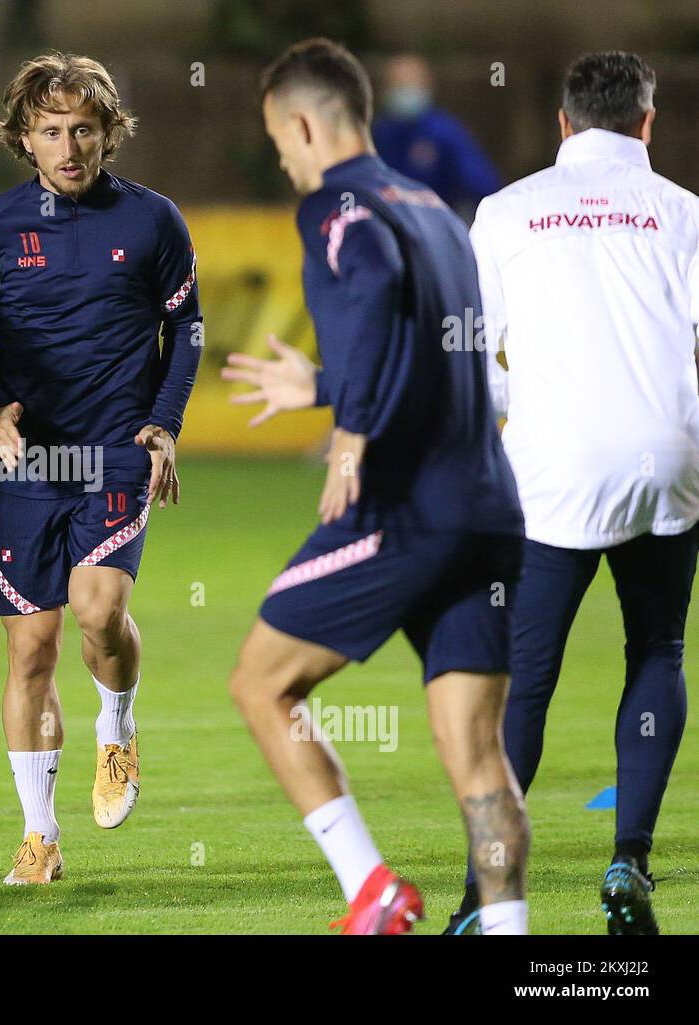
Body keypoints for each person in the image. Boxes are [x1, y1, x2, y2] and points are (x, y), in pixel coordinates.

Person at [221, 38, 529, 934]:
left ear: (305, 123)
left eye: (279, 139)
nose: (282, 158)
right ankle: (512, 941)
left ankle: (371, 889)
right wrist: (323, 385)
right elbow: (423, 340)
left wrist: (348, 428)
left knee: (260, 684)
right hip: (488, 512)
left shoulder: (336, 206)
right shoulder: (432, 205)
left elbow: (372, 287)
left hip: (407, 508)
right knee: (479, 760)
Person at [447, 51, 699, 936]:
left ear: (562, 123)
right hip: (664, 459)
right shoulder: (685, 214)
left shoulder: (507, 211)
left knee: (519, 683)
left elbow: (475, 357)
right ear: (647, 121)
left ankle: (488, 894)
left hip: (552, 469)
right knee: (657, 649)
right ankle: (628, 859)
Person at [0, 51, 202, 884]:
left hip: (114, 453)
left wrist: (164, 427)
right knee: (30, 651)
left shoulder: (154, 222)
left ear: (109, 133)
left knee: (98, 613)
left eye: (84, 129)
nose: (69, 146)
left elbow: (187, 331)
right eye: (52, 130)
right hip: (29, 464)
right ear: (24, 136)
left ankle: (118, 725)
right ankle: (39, 835)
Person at [373, 53, 500, 217]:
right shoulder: (381, 132)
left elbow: (482, 184)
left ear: (426, 86)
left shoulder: (444, 132)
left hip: (437, 224)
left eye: (408, 85)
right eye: (397, 85)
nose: (403, 91)